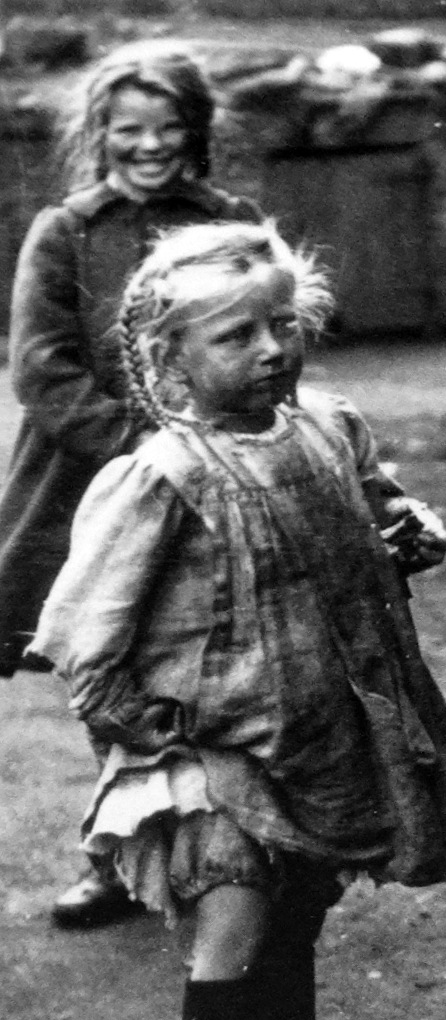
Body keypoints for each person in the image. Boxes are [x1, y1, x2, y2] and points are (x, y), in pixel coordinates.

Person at [29, 222, 446, 1020]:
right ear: (168, 358)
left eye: (284, 324)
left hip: (315, 738)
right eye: (237, 337)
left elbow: (376, 517)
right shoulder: (160, 475)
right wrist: (154, 733)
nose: (272, 350)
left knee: (292, 926)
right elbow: (85, 637)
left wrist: (413, 534)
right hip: (205, 752)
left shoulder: (327, 427)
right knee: (232, 931)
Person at [0, 42, 264, 929]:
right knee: (111, 667)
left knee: (209, 657)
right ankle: (114, 859)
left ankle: (222, 850)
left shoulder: (229, 221)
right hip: (94, 490)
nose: (149, 147)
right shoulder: (67, 231)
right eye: (128, 130)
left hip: (221, 484)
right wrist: (147, 443)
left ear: (196, 130)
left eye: (168, 128)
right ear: (99, 135)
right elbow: (42, 371)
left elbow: (272, 330)